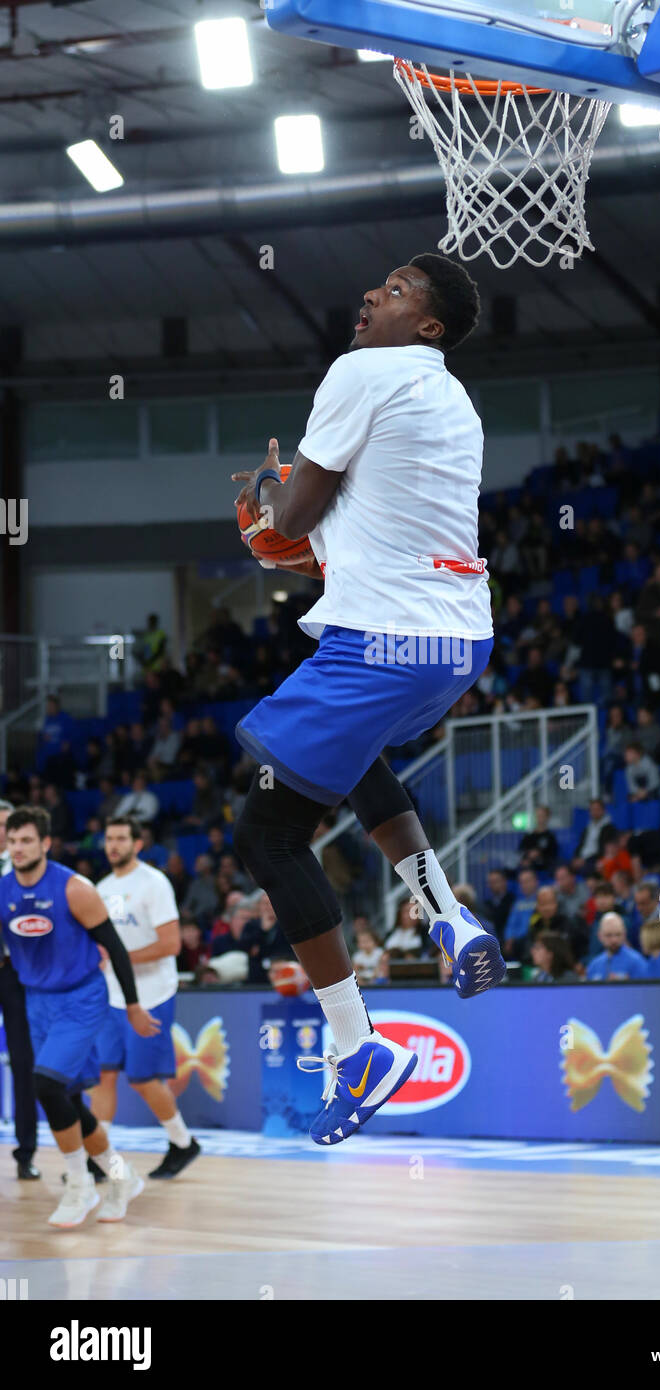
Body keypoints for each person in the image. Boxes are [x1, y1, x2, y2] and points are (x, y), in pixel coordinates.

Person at [230, 256, 506, 1147]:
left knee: (265, 834)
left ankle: (358, 1048)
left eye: (393, 290)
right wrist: (295, 546)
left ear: (426, 324)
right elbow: (356, 532)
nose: (370, 295)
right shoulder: (453, 399)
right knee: (355, 761)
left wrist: (271, 506)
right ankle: (448, 916)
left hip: (382, 644)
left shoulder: (360, 371)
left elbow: (300, 515)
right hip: (457, 643)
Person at [0, 806, 158, 1226]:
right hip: (38, 1001)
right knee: (66, 1099)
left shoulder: (75, 889)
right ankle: (121, 1177)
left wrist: (133, 1005)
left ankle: (79, 1184)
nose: (17, 848)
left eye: (26, 840)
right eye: (12, 840)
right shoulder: (2, 891)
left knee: (46, 1084)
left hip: (81, 998)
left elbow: (117, 949)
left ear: (45, 843)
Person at [88, 817, 201, 1180]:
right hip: (110, 995)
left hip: (152, 993)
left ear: (138, 843)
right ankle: (100, 1157)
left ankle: (183, 1143)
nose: (114, 845)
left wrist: (120, 959)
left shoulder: (154, 883)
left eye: (121, 838)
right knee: (103, 1074)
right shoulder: (101, 888)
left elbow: (171, 944)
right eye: (109, 839)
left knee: (142, 1078)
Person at [0, 798, 40, 1180]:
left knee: (24, 1061)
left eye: (5, 827)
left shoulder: (28, 871)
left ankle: (25, 1152)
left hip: (15, 973)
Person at [586, 912, 647, 981]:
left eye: (618, 934)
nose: (614, 940)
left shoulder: (637, 962)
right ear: (600, 936)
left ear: (624, 934)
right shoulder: (594, 966)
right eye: (608, 935)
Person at [517, 805, 558, 873]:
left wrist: (539, 855)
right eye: (537, 816)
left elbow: (552, 856)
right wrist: (526, 857)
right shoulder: (528, 836)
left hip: (543, 866)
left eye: (542, 816)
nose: (539, 818)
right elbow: (521, 851)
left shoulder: (550, 837)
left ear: (547, 817)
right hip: (527, 866)